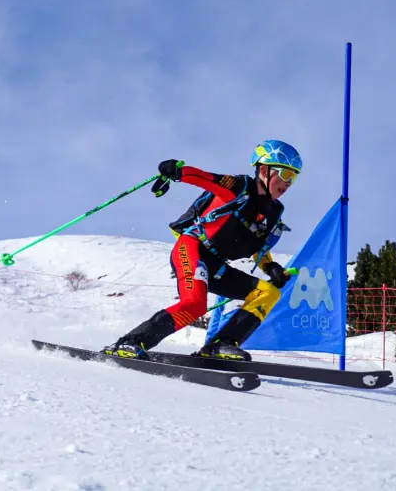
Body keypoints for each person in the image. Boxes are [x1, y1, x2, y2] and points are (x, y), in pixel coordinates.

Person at [102, 140, 302, 361]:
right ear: (264, 169)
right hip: (193, 248)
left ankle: (220, 345)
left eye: (293, 178)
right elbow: (205, 178)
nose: (288, 184)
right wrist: (177, 172)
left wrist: (270, 266)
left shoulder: (273, 211)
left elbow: (258, 245)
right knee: (195, 304)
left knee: (268, 292)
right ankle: (129, 342)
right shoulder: (239, 187)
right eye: (284, 175)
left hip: (216, 263)